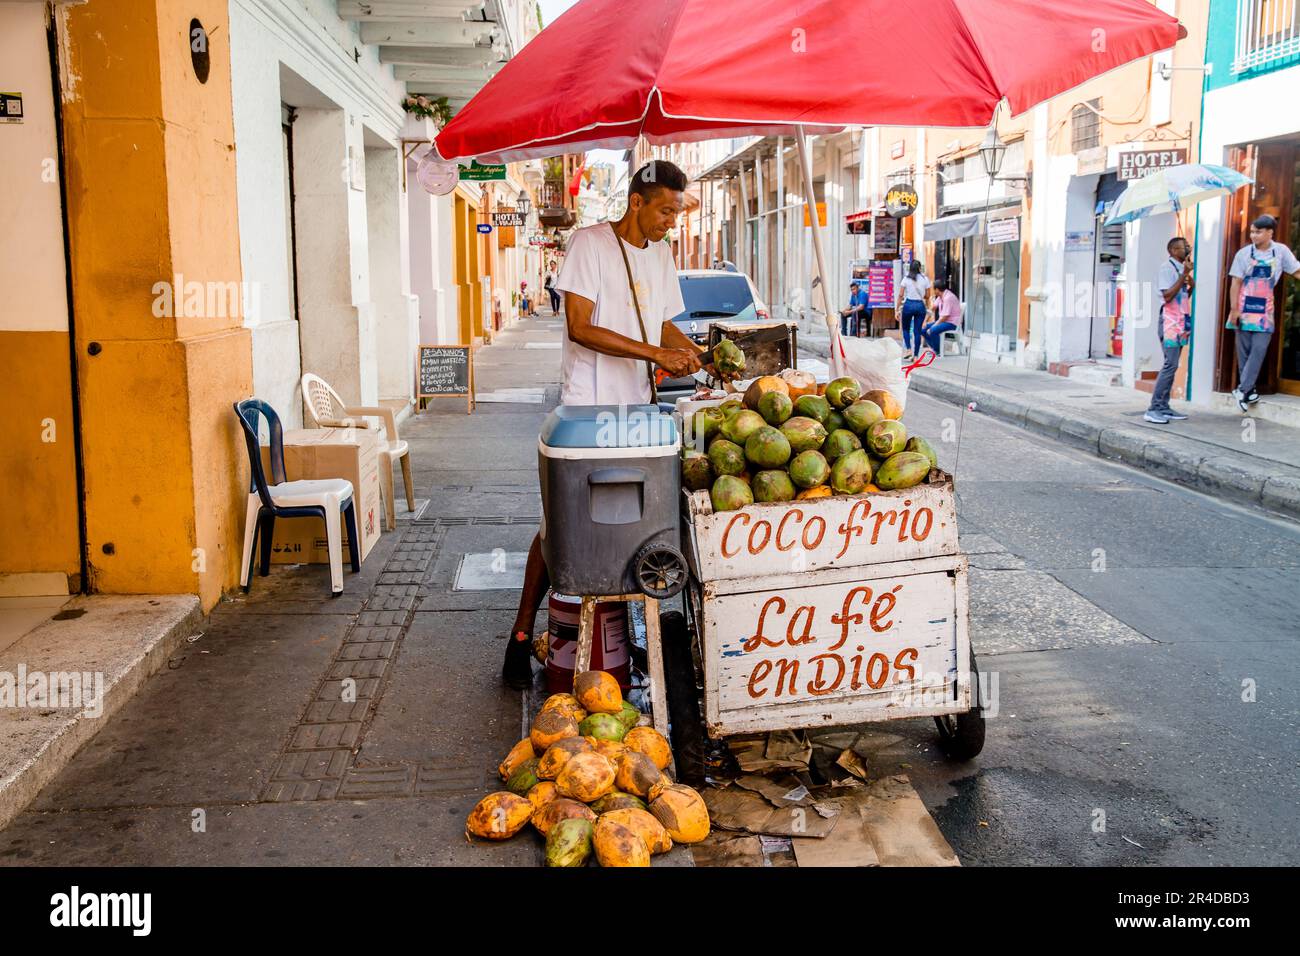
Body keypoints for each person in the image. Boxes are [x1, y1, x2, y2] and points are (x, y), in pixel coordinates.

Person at [503, 160, 705, 688]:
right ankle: (523, 632)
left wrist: (701, 355)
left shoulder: (661, 254)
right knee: (563, 527)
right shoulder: (590, 243)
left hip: (637, 407)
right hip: (586, 409)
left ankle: (612, 629)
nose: (670, 222)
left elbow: (663, 322)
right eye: (665, 210)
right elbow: (580, 326)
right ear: (636, 202)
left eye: (676, 213)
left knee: (628, 523)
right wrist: (658, 352)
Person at [1227, 214, 1300, 411]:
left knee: (1259, 349)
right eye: (1252, 231)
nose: (1253, 235)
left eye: (1258, 232)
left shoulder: (1281, 251)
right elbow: (1236, 282)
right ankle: (1248, 391)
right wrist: (1234, 310)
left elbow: (1296, 271)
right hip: (1243, 308)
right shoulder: (1243, 254)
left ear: (1270, 233)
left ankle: (1242, 390)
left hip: (1265, 312)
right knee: (1244, 352)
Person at [1144, 237, 1195, 424]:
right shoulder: (1167, 268)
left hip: (1181, 321)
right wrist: (1184, 276)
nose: (1188, 249)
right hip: (1169, 323)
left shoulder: (1180, 268)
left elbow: (1180, 297)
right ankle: (1154, 408)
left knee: (1173, 364)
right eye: (1184, 247)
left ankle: (1164, 406)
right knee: (1170, 364)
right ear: (1173, 250)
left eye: (1188, 246)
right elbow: (1166, 296)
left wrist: (1191, 286)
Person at [896, 260, 930, 359]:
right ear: (919, 268)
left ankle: (909, 349)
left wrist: (897, 309)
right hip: (920, 306)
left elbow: (901, 295)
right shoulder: (925, 279)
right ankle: (915, 356)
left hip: (908, 305)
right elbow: (928, 295)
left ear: (910, 268)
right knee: (917, 332)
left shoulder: (906, 279)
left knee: (906, 329)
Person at [921, 279, 963, 354]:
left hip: (952, 323)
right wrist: (924, 321)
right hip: (944, 322)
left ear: (937, 289)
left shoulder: (948, 298)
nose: (934, 291)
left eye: (934, 290)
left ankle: (938, 350)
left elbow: (944, 317)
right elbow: (932, 309)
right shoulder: (940, 297)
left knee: (933, 330)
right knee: (923, 329)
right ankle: (935, 348)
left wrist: (933, 326)